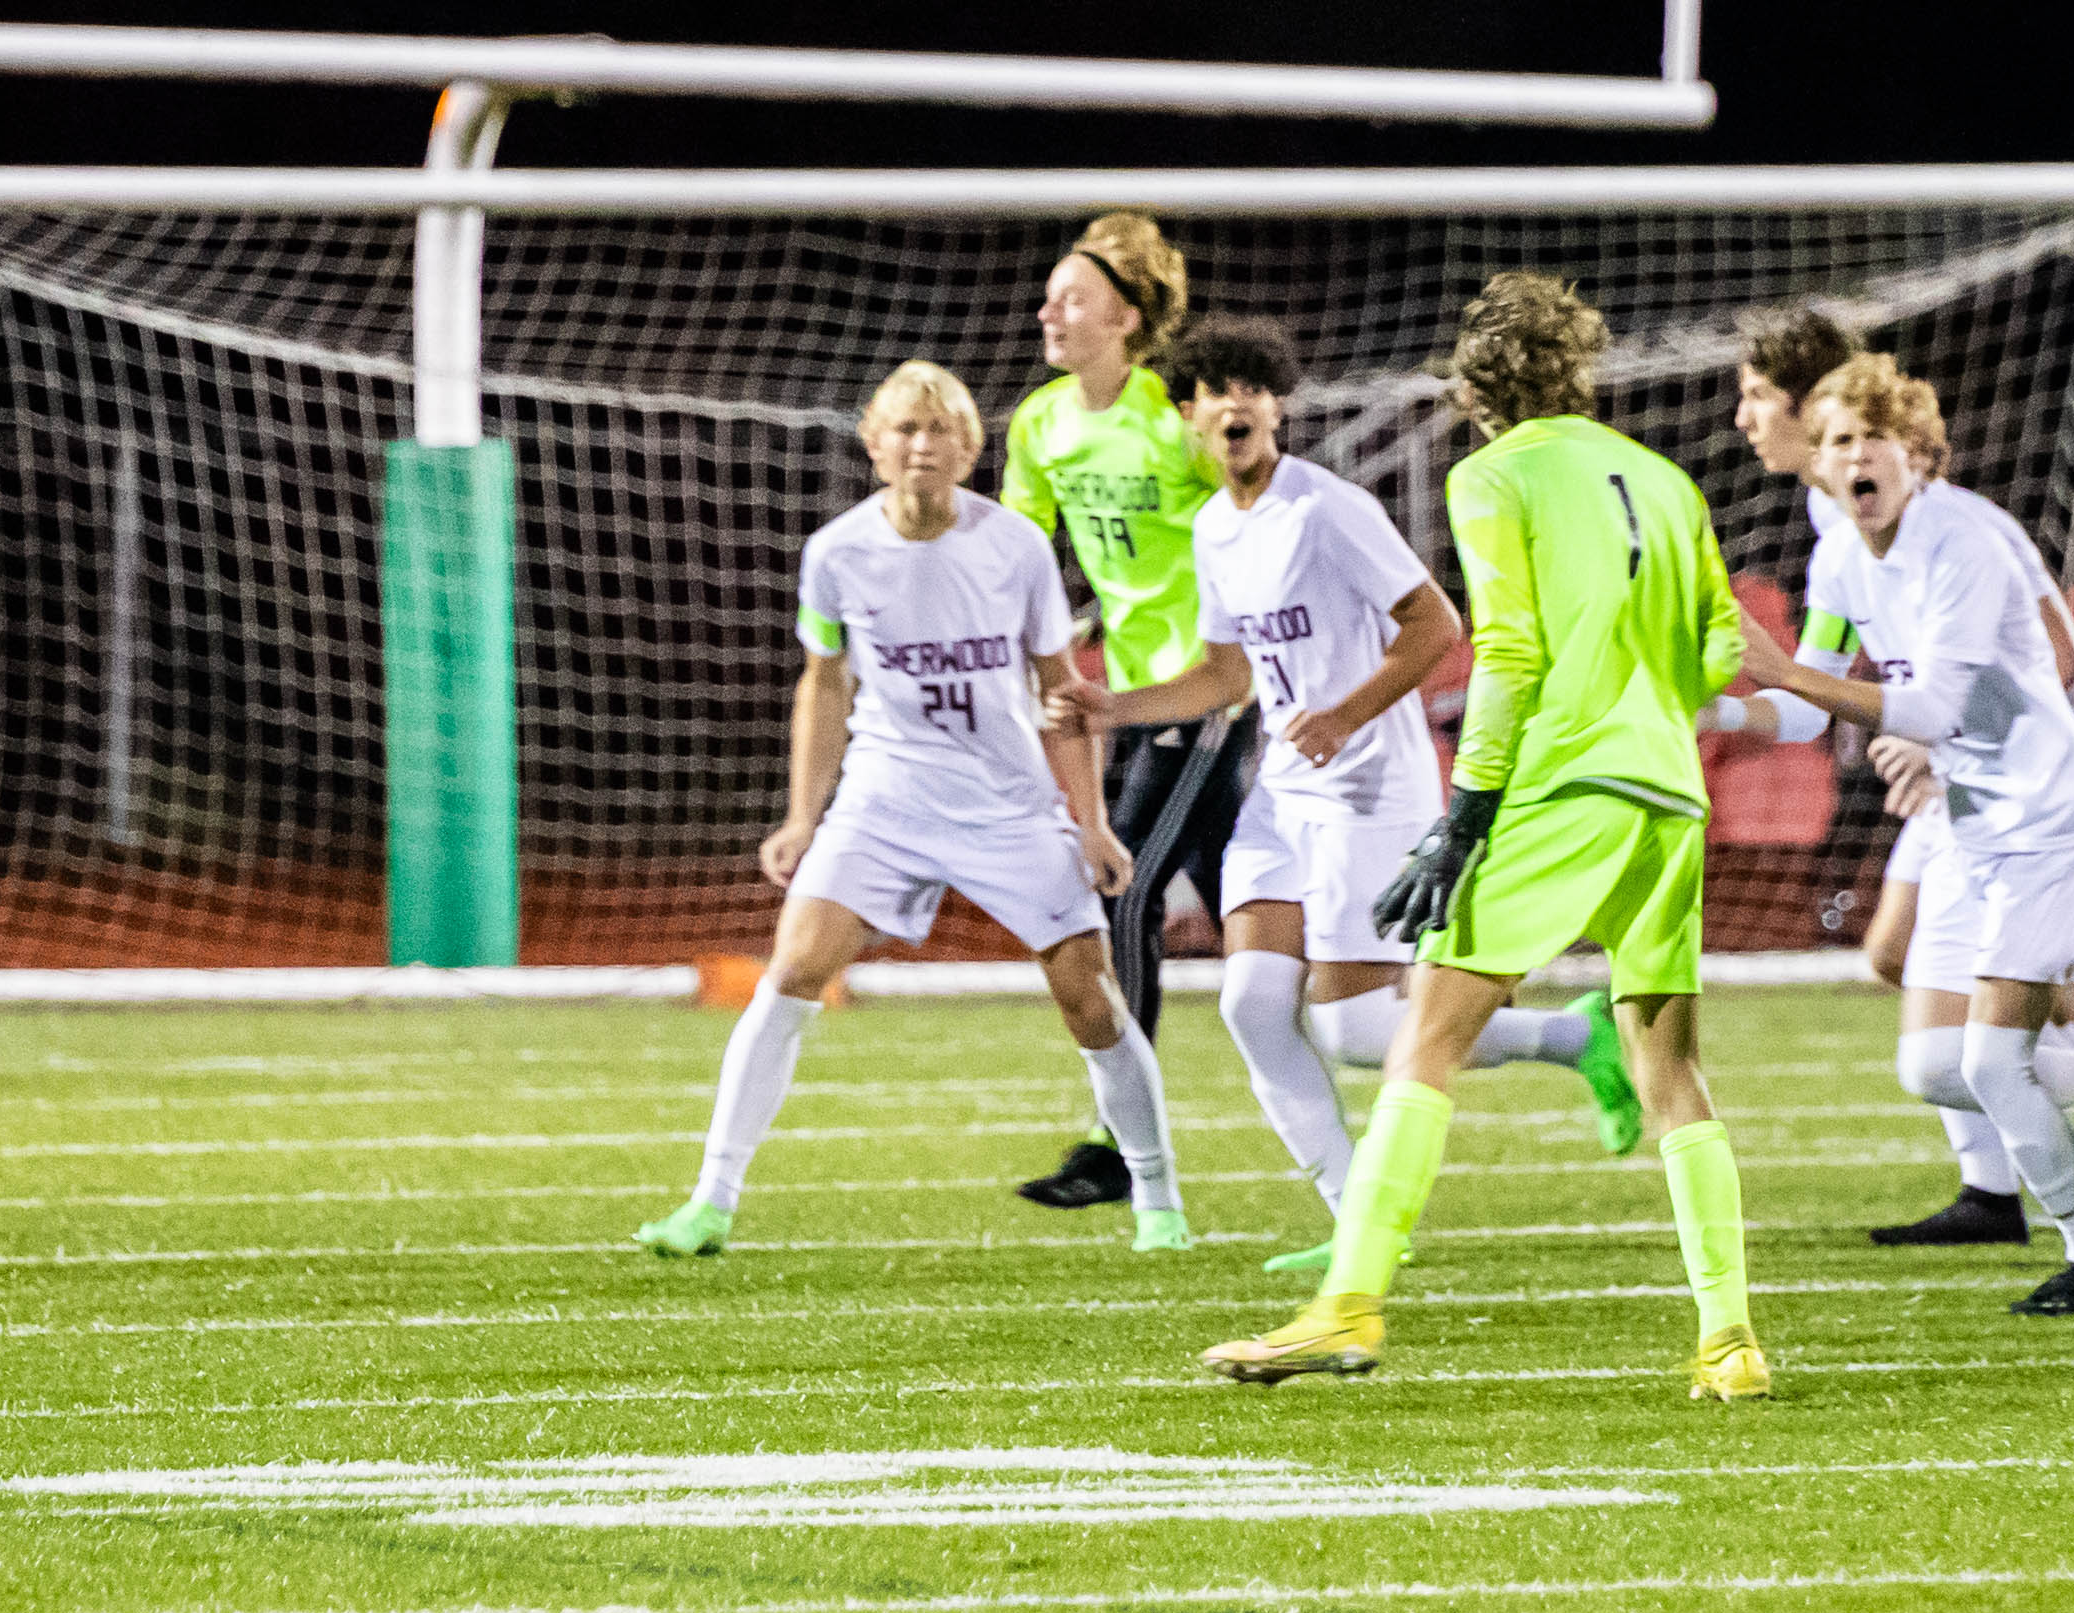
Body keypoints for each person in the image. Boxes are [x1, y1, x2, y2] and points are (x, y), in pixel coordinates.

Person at [1200, 275, 1767, 1399]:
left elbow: (1504, 651)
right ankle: (1729, 1341)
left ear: (1473, 389)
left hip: (1561, 787)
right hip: (1666, 791)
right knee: (1670, 1071)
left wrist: (1462, 817)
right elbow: (1717, 654)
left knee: (1421, 1042)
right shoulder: (1660, 479)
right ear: (1577, 369)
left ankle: (1348, 1306)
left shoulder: (1491, 475)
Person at [1105, 318, 1636, 1277]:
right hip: (1284, 796)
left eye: (1252, 388)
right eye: (1214, 390)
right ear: (1186, 415)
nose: (1235, 404)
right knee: (1254, 1005)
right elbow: (1227, 676)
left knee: (1355, 1030)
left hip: (1370, 793)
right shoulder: (1213, 526)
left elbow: (1436, 624)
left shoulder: (1327, 507)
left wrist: (1346, 714)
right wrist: (1111, 706)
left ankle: (1574, 1034)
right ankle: (1360, 1221)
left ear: (1276, 406)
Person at [641, 361, 1167, 1255]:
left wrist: (1091, 821)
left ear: (970, 448)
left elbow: (1061, 691)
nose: (922, 447)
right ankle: (711, 1201)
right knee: (794, 969)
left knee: (1088, 996)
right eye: (905, 430)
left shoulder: (1015, 548)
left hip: (1006, 806)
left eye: (941, 431)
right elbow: (826, 681)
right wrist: (804, 817)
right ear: (873, 445)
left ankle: (1158, 1195)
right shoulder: (837, 550)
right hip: (885, 800)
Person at [1744, 355, 2074, 1316]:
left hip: (2053, 821)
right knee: (1931, 1063)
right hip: (1974, 824)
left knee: (1987, 1062)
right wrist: (1708, 719)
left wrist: (1788, 674)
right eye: (1838, 440)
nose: (1854, 458)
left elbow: (1930, 707)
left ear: (1919, 456)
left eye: (1872, 440)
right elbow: (1803, 714)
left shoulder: (1961, 542)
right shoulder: (1840, 553)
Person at [1000, 211, 1240, 1215]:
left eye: (1074, 298)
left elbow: (1254, 517)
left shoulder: (1171, 417)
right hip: (1128, 694)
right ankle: (1559, 1039)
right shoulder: (1041, 422)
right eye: (1051, 296)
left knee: (1125, 891)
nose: (1050, 312)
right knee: (1281, 956)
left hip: (1209, 693)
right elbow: (1014, 556)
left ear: (1128, 317)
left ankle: (1117, 1144)